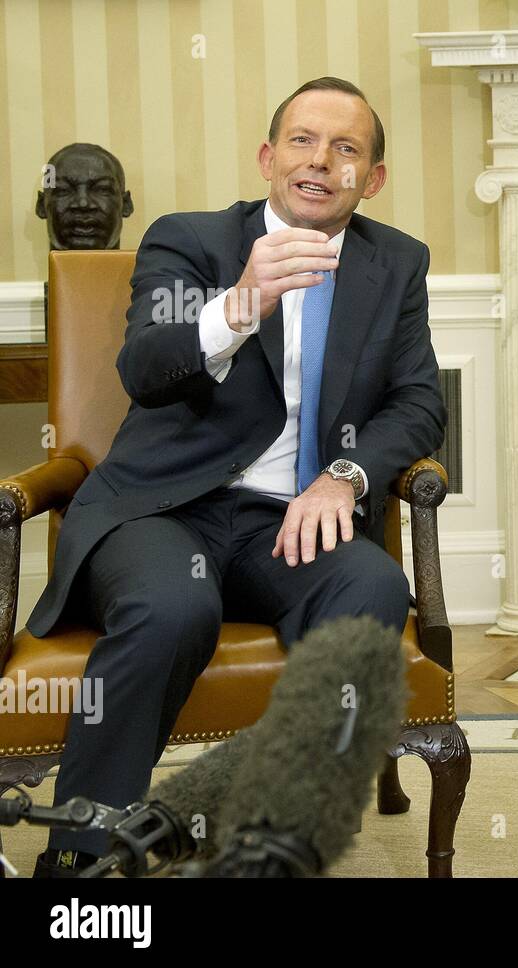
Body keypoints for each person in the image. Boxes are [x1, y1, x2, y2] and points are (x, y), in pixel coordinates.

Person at [28, 77, 446, 875]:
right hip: (163, 509)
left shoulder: (396, 263)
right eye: (301, 140)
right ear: (268, 157)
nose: (319, 161)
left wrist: (346, 477)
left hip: (289, 520)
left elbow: (418, 402)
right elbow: (146, 368)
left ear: (374, 177)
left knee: (372, 592)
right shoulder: (189, 239)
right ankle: (83, 860)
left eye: (346, 148)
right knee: (170, 605)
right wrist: (242, 301)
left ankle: (268, 837)